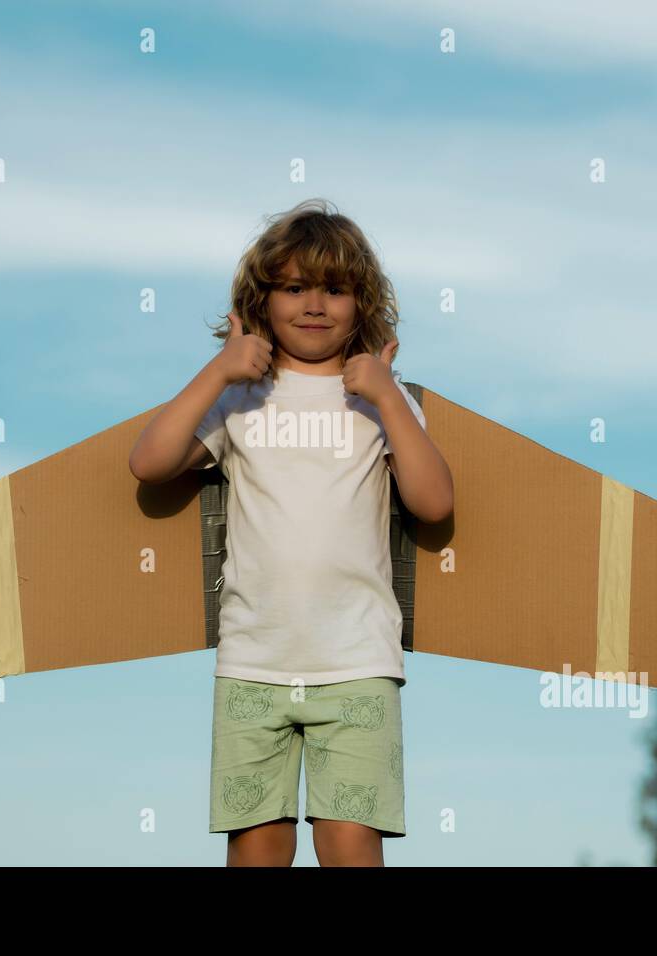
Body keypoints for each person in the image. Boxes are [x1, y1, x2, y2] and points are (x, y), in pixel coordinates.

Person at [128, 199, 453, 865]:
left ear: (361, 304)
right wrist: (219, 368)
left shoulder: (382, 399)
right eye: (295, 287)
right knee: (256, 849)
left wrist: (388, 396)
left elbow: (434, 502)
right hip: (253, 663)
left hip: (357, 664)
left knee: (350, 845)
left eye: (335, 289)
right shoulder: (240, 398)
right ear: (261, 300)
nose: (314, 304)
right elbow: (149, 463)